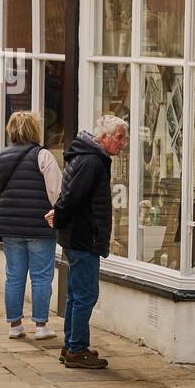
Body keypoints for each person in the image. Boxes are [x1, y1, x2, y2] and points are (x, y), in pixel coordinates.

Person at [46, 114, 128, 369]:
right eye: (119, 137)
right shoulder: (92, 161)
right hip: (83, 237)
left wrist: (58, 213)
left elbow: (70, 194)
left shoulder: (89, 157)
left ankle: (72, 344)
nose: (123, 143)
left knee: (76, 295)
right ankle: (76, 349)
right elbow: (72, 196)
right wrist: (59, 214)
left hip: (78, 235)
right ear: (103, 137)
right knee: (85, 295)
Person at [0, 111, 62, 340]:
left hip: (11, 225)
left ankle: (14, 325)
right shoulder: (43, 156)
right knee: (41, 276)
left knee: (14, 275)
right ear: (34, 130)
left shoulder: (0, 157)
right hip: (40, 225)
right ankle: (41, 326)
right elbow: (56, 192)